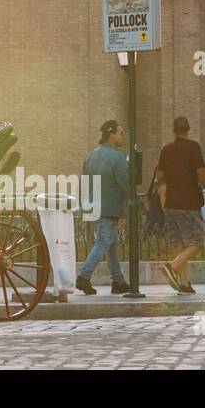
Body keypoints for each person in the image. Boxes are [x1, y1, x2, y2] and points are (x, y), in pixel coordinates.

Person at [76, 119, 130, 296]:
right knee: (104, 242)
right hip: (108, 207)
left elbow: (84, 182)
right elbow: (126, 184)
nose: (123, 137)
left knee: (111, 243)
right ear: (112, 134)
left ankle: (118, 281)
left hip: (91, 207)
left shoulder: (90, 156)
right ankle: (84, 276)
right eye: (121, 133)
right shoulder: (118, 157)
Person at [154, 116, 205, 294]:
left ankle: (183, 283)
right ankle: (172, 267)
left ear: (173, 130)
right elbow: (201, 173)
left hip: (170, 203)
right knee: (198, 241)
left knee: (179, 243)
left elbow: (160, 176)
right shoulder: (193, 147)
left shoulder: (166, 149)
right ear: (188, 129)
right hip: (189, 202)